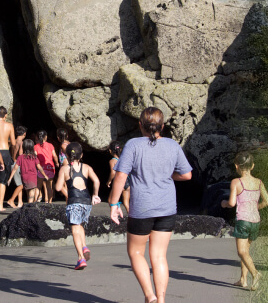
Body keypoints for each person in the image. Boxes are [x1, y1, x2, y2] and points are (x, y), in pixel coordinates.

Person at [109, 107, 194, 303]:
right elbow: (187, 174)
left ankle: (150, 296)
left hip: (142, 208)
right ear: (162, 126)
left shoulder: (133, 145)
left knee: (136, 252)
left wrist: (114, 204)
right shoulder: (173, 145)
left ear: (140, 125)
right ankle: (162, 299)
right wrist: (167, 175)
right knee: (159, 256)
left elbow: (121, 175)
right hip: (167, 208)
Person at [222, 152, 268, 291]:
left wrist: (224, 203)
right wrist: (256, 207)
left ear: (236, 166)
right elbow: (267, 201)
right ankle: (243, 280)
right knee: (246, 251)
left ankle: (255, 274)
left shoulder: (236, 182)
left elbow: (232, 203)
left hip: (243, 220)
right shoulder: (259, 182)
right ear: (252, 166)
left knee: (242, 251)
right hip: (255, 220)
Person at [55, 143, 100, 269]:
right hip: (86, 201)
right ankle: (84, 246)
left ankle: (81, 258)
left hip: (74, 201)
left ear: (67, 156)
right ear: (82, 155)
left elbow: (58, 187)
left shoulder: (65, 169)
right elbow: (96, 180)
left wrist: (65, 187)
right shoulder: (86, 167)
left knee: (75, 229)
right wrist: (95, 195)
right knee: (79, 225)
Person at [6, 126, 28, 209]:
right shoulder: (21, 142)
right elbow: (20, 154)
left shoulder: (13, 141)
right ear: (24, 133)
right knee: (22, 184)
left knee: (19, 183)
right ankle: (11, 200)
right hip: (17, 164)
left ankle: (20, 202)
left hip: (12, 162)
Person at [15, 138, 41, 208]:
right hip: (32, 176)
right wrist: (44, 174)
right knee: (32, 191)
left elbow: (15, 168)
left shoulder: (20, 157)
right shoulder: (34, 157)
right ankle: (30, 206)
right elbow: (39, 166)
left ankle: (29, 205)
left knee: (28, 191)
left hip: (24, 177)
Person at [33, 130, 58, 203]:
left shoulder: (35, 147)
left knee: (38, 187)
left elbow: (34, 157)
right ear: (46, 137)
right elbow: (54, 156)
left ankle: (35, 201)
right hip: (50, 167)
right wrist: (56, 163)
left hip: (41, 168)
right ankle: (49, 202)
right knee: (49, 186)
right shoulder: (50, 145)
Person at [108, 141, 129, 213]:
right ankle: (133, 220)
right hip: (128, 183)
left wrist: (109, 181)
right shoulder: (124, 160)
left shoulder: (112, 161)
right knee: (126, 203)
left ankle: (115, 215)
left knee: (111, 201)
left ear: (110, 151)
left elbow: (113, 173)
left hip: (119, 183)